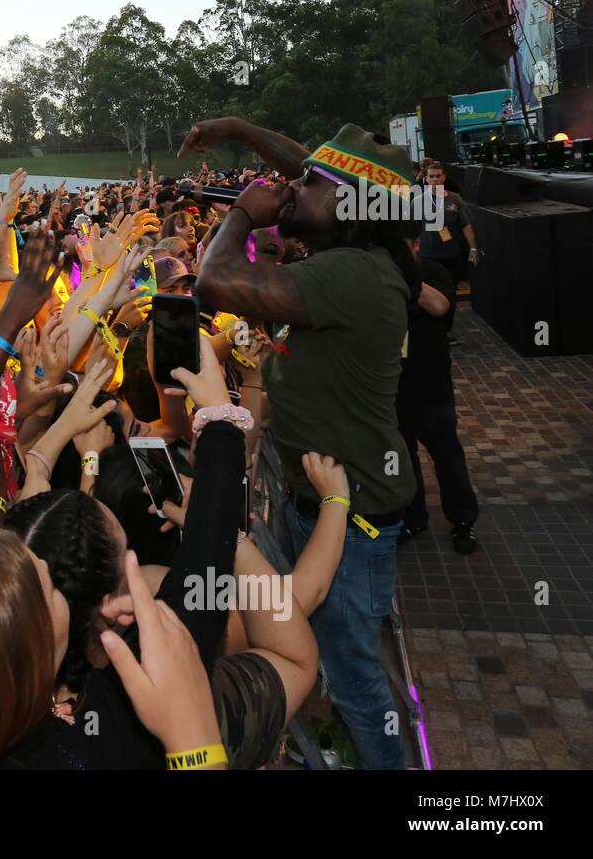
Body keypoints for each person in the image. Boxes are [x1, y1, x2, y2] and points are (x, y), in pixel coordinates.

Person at [188, 117, 416, 769]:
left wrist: (241, 214)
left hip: (355, 511)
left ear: (346, 203)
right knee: (324, 649)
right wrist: (236, 129)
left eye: (306, 184)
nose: (289, 189)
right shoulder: (355, 256)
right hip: (321, 498)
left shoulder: (351, 273)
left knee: (351, 675)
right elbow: (314, 173)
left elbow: (214, 282)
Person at [397, 220, 479, 554]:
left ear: (416, 244)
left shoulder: (433, 272)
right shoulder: (380, 278)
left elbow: (440, 306)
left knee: (447, 458)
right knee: (404, 460)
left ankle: (463, 522)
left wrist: (407, 274)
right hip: (393, 389)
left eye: (399, 247)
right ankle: (414, 518)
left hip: (431, 387)